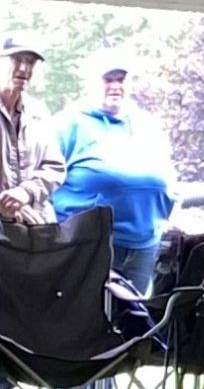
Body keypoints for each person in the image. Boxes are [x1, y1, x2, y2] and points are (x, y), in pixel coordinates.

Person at [51, 53, 176, 289]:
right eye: (108, 79)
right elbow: (45, 177)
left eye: (121, 79)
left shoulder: (146, 125)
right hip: (89, 245)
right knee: (87, 320)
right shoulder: (68, 124)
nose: (115, 86)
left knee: (136, 321)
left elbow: (167, 176)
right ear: (90, 83)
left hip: (145, 245)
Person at [0, 34, 63, 227]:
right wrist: (5, 203)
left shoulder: (39, 112)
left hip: (34, 226)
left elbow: (55, 167)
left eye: (30, 62)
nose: (24, 68)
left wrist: (25, 192)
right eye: (16, 59)